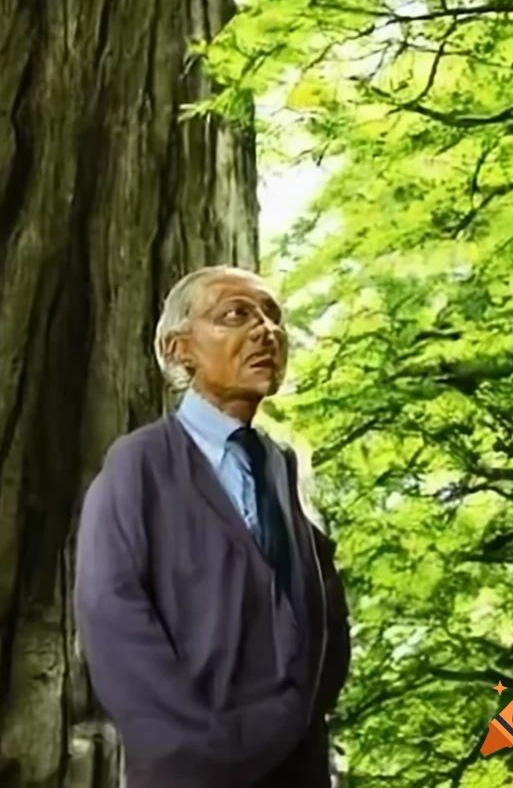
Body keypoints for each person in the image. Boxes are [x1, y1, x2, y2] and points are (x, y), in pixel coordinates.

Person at [74, 265, 351, 788]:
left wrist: (306, 722)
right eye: (236, 315)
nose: (266, 331)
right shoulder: (140, 465)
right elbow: (111, 613)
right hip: (190, 771)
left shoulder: (284, 468)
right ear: (180, 349)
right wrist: (198, 746)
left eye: (273, 317)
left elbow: (323, 616)